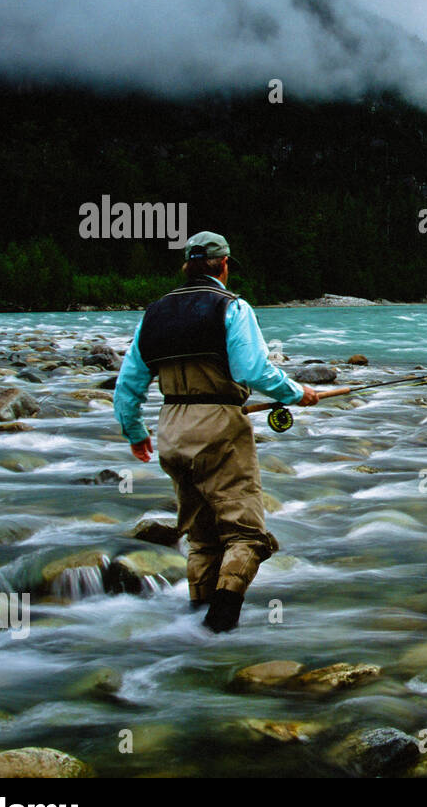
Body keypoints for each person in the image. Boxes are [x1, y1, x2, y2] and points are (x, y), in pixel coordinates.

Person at [113, 232, 319, 632]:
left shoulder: (154, 313)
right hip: (220, 430)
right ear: (224, 265)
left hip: (172, 431)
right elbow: (252, 372)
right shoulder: (232, 307)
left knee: (203, 538)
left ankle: (196, 628)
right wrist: (297, 393)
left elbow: (127, 388)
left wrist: (135, 433)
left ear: (186, 266)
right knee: (247, 536)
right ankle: (219, 624)